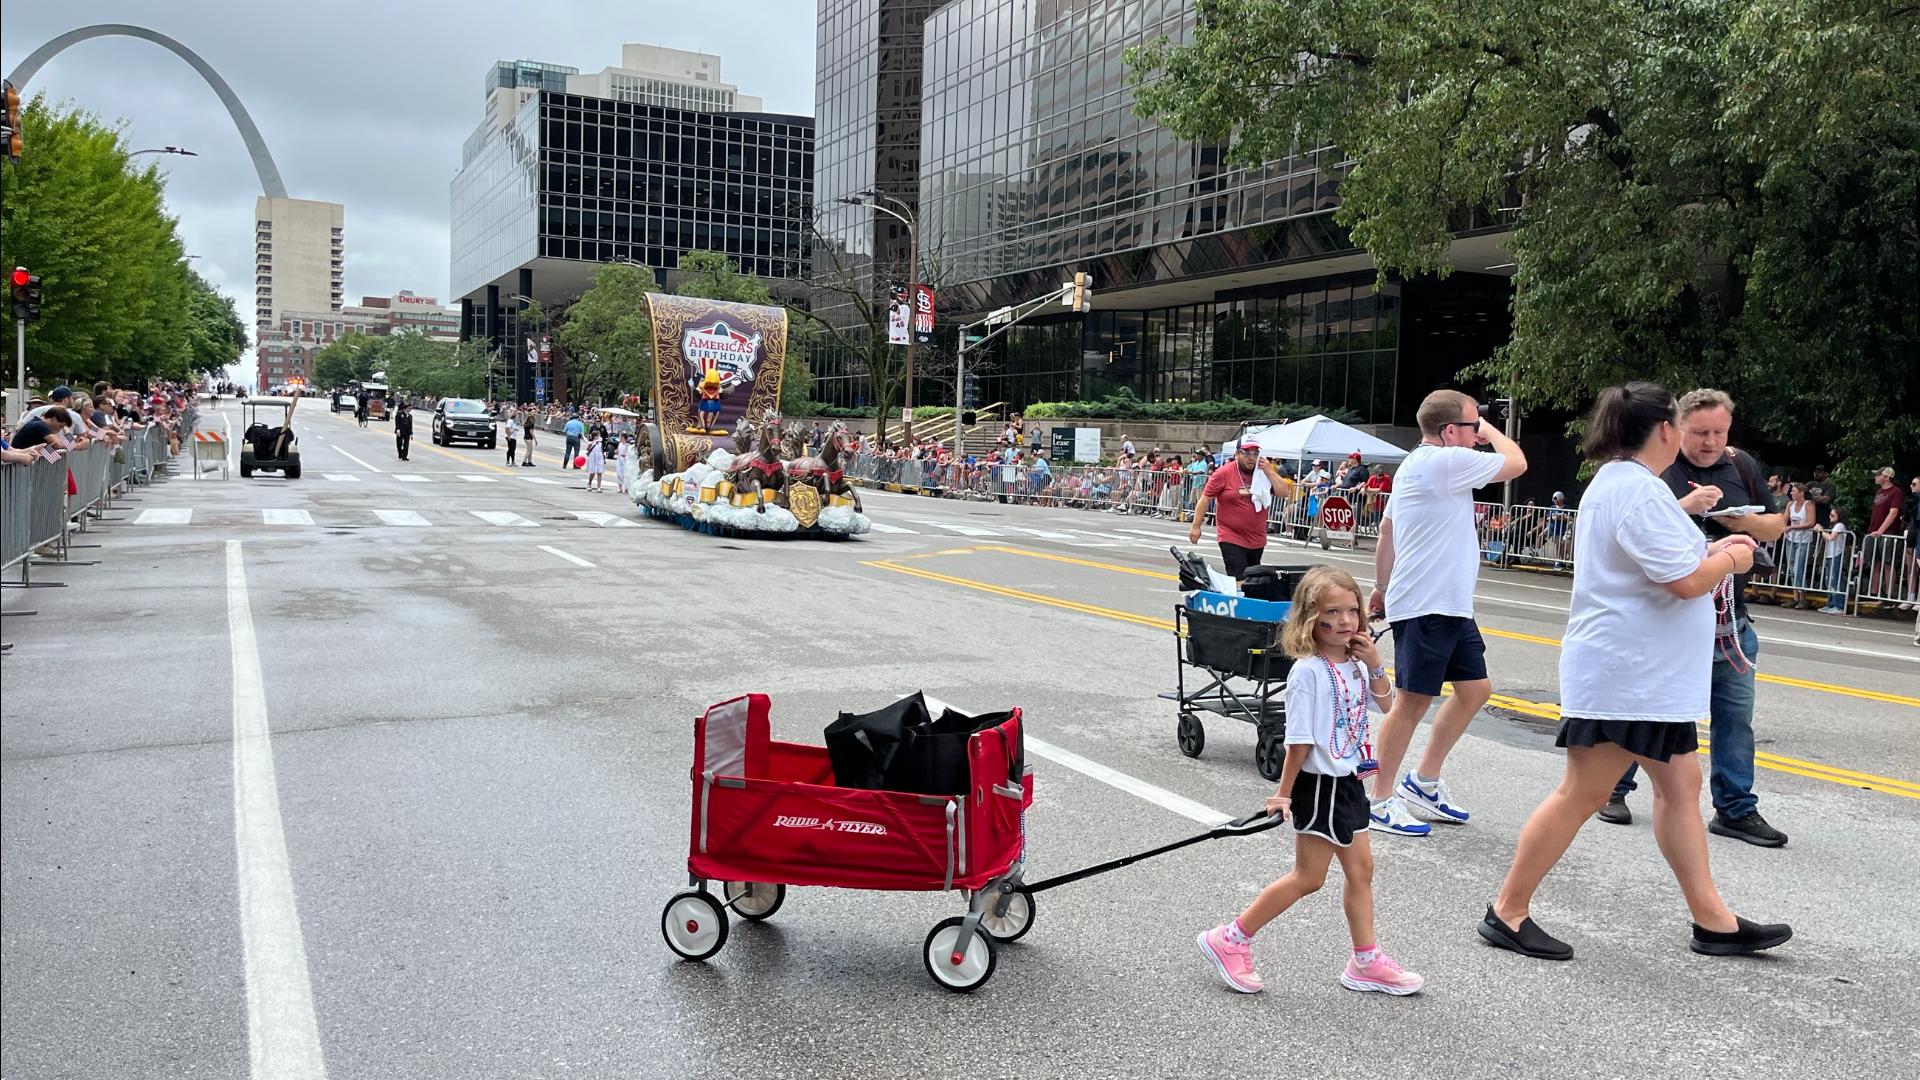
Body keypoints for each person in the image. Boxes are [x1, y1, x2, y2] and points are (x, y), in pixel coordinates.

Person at [1480, 382, 1792, 961]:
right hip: (1629, 676)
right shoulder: (1638, 490)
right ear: (1666, 430)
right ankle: (1508, 910)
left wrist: (1708, 548)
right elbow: (1685, 581)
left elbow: (1661, 561)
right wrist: (1732, 555)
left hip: (1643, 676)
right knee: (1583, 791)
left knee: (1680, 786)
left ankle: (1713, 919)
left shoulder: (1623, 483)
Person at [1195, 565, 1423, 997]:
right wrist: (1282, 794)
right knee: (1308, 877)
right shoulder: (1307, 673)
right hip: (1319, 785)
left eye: (1352, 610)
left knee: (1361, 871)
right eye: (1331, 612)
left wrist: (1375, 664)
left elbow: (1387, 705)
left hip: (1349, 780)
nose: (1345, 621)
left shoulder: (1355, 663)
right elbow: (1298, 741)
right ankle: (1231, 938)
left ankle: (1365, 961)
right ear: (1310, 618)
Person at [1601, 390, 1787, 847]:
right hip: (1671, 620)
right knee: (1649, 710)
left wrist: (1741, 523)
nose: (1710, 442)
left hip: (1729, 619)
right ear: (1676, 427)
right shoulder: (1655, 466)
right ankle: (1612, 789)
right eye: (1701, 432)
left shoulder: (1740, 464)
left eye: (1719, 432)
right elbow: (1637, 520)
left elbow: (1776, 524)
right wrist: (1689, 506)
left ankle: (1736, 809)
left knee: (1735, 717)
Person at [1364, 390, 1527, 837]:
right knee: (1412, 702)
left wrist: (1381, 587)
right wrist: (1493, 428)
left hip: (1446, 602)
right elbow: (1517, 463)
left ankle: (1423, 782)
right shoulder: (1444, 461)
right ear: (1450, 431)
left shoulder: (1417, 465)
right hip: (1428, 601)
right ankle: (1379, 799)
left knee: (1475, 690)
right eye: (1472, 427)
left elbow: (1387, 532)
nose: (1478, 435)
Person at [1189, 440, 1288, 580]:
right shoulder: (1223, 473)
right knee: (1239, 577)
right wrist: (1195, 526)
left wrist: (1269, 471)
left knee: (1252, 580)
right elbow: (1205, 499)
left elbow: (1284, 492)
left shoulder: (1262, 473)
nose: (1251, 457)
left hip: (1256, 538)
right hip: (1231, 535)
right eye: (1247, 453)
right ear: (1237, 454)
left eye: (1255, 453)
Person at [1862, 467, 1904, 602]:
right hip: (1874, 530)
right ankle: (1874, 593)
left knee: (1888, 563)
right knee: (1875, 562)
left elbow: (1893, 512)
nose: (1876, 477)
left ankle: (1889, 594)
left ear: (1886, 477)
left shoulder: (1896, 492)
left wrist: (1881, 530)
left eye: (1878, 475)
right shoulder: (1879, 491)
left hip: (1887, 533)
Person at [1781, 482, 1818, 609]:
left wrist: (1793, 527)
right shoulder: (1790, 504)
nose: (1791, 493)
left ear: (1801, 493)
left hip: (1803, 540)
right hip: (1791, 539)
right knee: (1791, 568)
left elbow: (1811, 522)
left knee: (1798, 568)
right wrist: (1784, 527)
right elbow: (1785, 519)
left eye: (1794, 491)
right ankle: (1795, 597)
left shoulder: (1808, 504)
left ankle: (1803, 598)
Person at [1818, 507, 1851, 614]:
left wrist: (1821, 531)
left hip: (1836, 554)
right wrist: (1822, 532)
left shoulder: (1839, 525)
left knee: (1835, 580)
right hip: (1830, 554)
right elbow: (1828, 538)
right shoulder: (1834, 526)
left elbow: (1832, 537)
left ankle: (1839, 605)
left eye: (1833, 515)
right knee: (1829, 580)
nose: (1830, 517)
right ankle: (1831, 603)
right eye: (1830, 515)